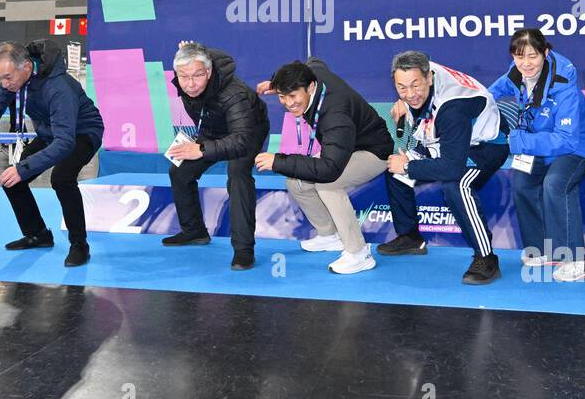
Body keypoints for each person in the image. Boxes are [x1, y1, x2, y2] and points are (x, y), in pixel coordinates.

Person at [377, 52, 510, 284]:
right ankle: (410, 237)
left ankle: (486, 258)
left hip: (486, 145)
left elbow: (451, 168)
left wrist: (408, 166)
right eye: (402, 88)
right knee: (394, 171)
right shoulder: (420, 71)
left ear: (429, 77)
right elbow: (416, 97)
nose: (410, 94)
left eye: (415, 86)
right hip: (449, 140)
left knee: (456, 185)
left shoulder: (453, 106)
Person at [254, 58, 393, 275]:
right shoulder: (312, 75)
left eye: (292, 96)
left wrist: (277, 161)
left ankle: (359, 254)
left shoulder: (335, 114)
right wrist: (277, 84)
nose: (289, 103)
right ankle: (330, 236)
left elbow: (329, 170)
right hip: (346, 145)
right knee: (296, 182)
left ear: (310, 87)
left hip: (373, 151)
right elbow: (315, 62)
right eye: (282, 97)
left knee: (327, 185)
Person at [488, 29, 585, 282]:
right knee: (521, 182)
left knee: (556, 184)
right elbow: (489, 94)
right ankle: (543, 250)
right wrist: (471, 106)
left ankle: (576, 260)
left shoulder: (564, 80)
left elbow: (566, 139)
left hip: (577, 143)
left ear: (545, 52)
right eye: (520, 56)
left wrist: (518, 140)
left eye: (533, 56)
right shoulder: (516, 70)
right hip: (540, 141)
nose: (526, 63)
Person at [0, 39, 104, 267]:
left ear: (26, 67)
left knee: (62, 178)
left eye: (7, 77)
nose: (4, 83)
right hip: (50, 133)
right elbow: (4, 92)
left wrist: (23, 167)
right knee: (12, 180)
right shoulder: (18, 76)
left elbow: (65, 143)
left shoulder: (59, 88)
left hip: (82, 133)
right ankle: (38, 234)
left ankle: (79, 244)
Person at [163, 42, 270, 271]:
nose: (191, 84)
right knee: (179, 170)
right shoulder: (188, 77)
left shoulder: (235, 94)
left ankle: (243, 250)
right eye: (184, 77)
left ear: (209, 73)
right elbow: (196, 65)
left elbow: (241, 140)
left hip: (247, 131)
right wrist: (201, 143)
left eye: (197, 76)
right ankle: (194, 232)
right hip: (212, 127)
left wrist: (201, 149)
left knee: (238, 175)